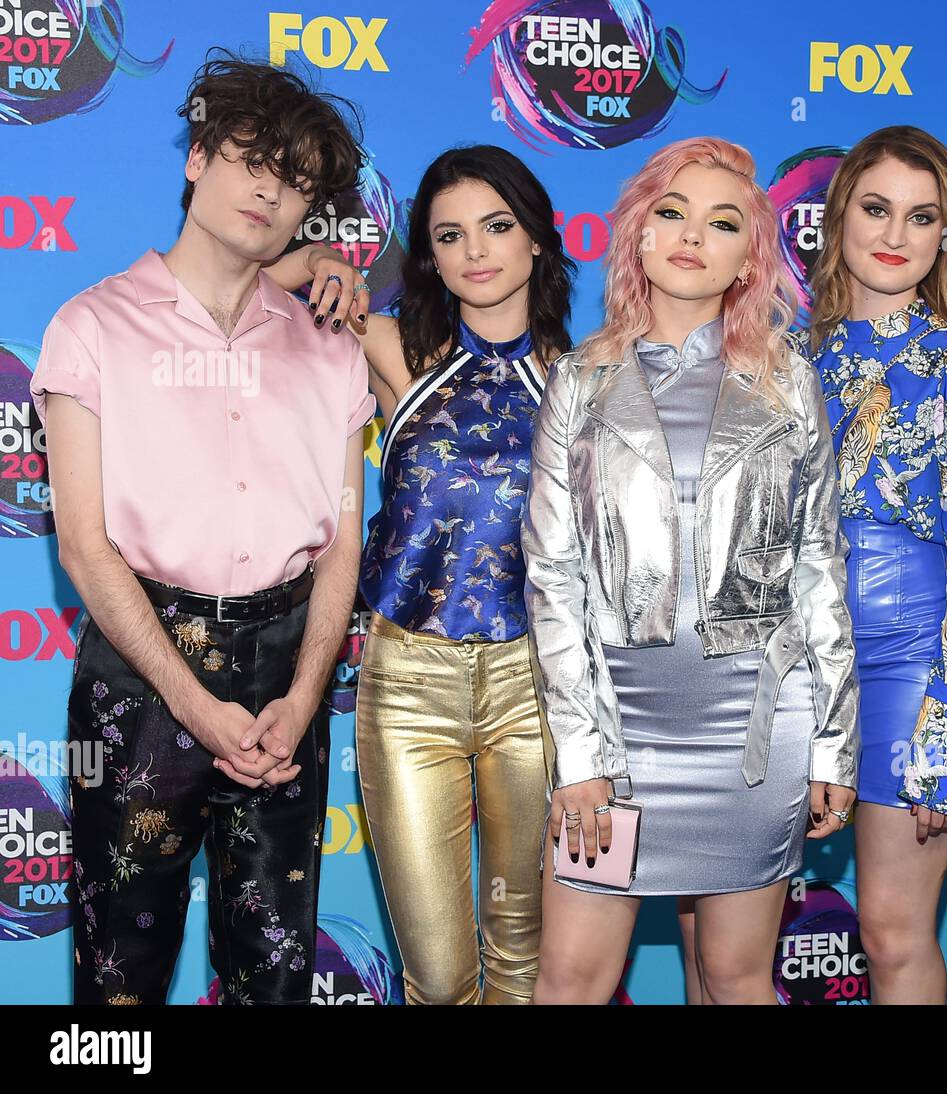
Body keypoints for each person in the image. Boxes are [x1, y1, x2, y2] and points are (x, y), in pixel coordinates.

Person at [31, 55, 373, 1005]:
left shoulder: (329, 342)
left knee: (277, 974)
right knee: (119, 978)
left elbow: (342, 543)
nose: (268, 188)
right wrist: (193, 703)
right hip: (142, 675)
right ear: (195, 158)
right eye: (249, 158)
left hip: (284, 676)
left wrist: (306, 700)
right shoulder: (92, 327)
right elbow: (84, 547)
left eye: (297, 176)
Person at [522, 136, 859, 1006]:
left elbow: (819, 566)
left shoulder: (789, 383)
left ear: (751, 256)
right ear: (635, 233)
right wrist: (580, 754)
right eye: (672, 213)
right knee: (569, 979)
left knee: (733, 979)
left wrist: (832, 740)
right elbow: (552, 578)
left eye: (722, 223)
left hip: (751, 736)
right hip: (616, 728)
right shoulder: (580, 381)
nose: (691, 236)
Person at [266, 145, 576, 1004]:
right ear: (428, 256)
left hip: (539, 687)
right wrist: (324, 260)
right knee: (439, 978)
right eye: (449, 235)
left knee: (523, 960)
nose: (475, 250)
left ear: (538, 240)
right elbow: (246, 278)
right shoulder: (400, 352)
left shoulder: (586, 383)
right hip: (408, 682)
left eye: (496, 226)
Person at [797, 126, 947, 1004]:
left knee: (893, 935)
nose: (895, 232)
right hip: (785, 671)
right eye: (875, 207)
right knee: (722, 931)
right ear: (838, 218)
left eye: (921, 214)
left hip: (910, 666)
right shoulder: (784, 363)